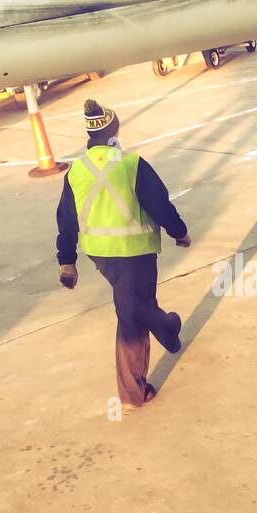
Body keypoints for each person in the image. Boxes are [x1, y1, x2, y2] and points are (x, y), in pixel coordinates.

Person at [56, 100, 191, 410]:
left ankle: (165, 327)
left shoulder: (76, 170)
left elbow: (65, 216)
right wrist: (179, 231)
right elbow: (159, 203)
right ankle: (138, 381)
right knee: (131, 315)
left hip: (100, 255)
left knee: (132, 305)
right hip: (136, 251)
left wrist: (68, 261)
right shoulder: (132, 164)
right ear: (114, 131)